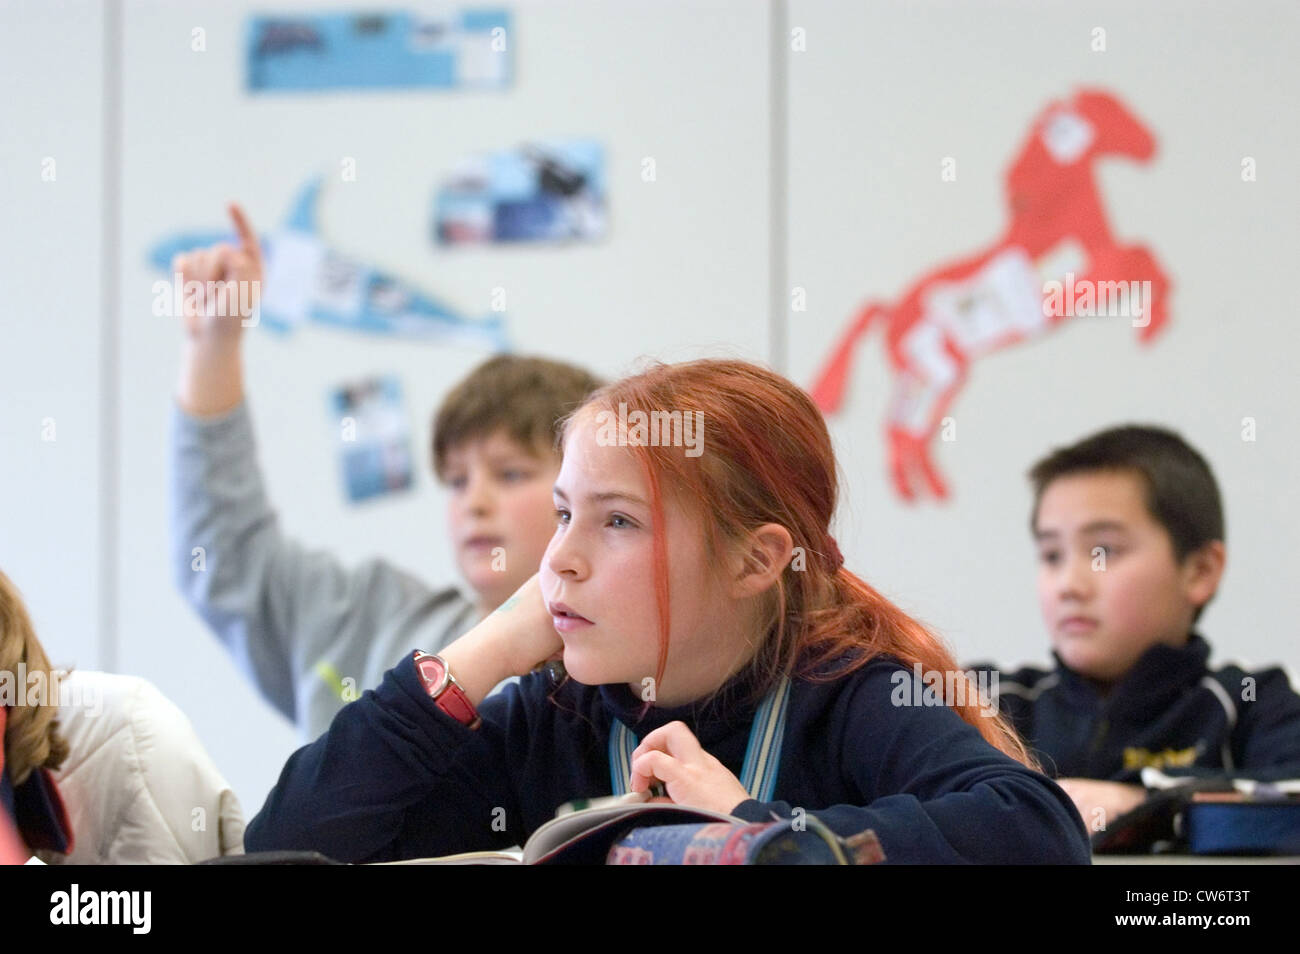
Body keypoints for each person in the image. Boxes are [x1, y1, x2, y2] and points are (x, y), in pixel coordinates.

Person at [244, 359, 1092, 864]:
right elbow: (287, 846)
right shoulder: (551, 719)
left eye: (617, 522)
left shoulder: (847, 694)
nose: (560, 556)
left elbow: (1039, 837)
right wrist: (483, 654)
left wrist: (759, 833)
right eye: (566, 512)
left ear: (753, 561)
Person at [169, 205, 603, 739]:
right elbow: (225, 562)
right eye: (457, 480)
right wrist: (213, 346)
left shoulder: (617, 674)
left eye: (510, 474)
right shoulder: (372, 620)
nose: (474, 502)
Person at [969, 425, 1300, 831]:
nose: (1069, 584)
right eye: (1052, 554)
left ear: (1200, 571)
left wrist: (1146, 804)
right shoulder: (988, 703)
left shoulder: (1250, 706)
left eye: (1103, 552)